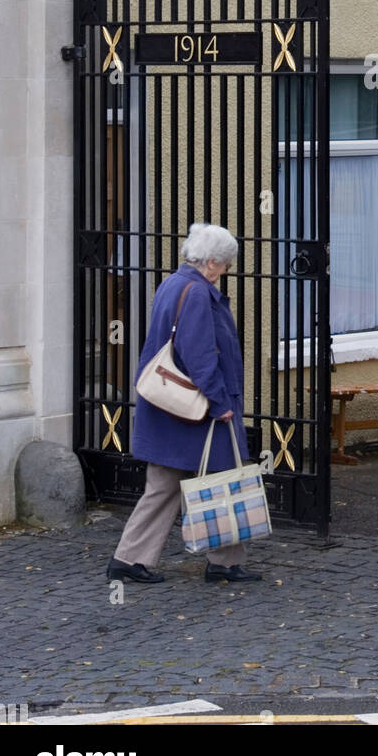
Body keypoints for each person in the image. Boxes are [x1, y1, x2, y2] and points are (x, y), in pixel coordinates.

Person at [106, 222, 262, 584]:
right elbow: (200, 355)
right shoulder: (196, 293)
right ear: (210, 262)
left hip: (169, 409)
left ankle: (129, 558)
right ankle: (223, 562)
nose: (224, 272)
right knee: (223, 478)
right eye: (224, 265)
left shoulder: (173, 283)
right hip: (198, 408)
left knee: (163, 485)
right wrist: (220, 402)